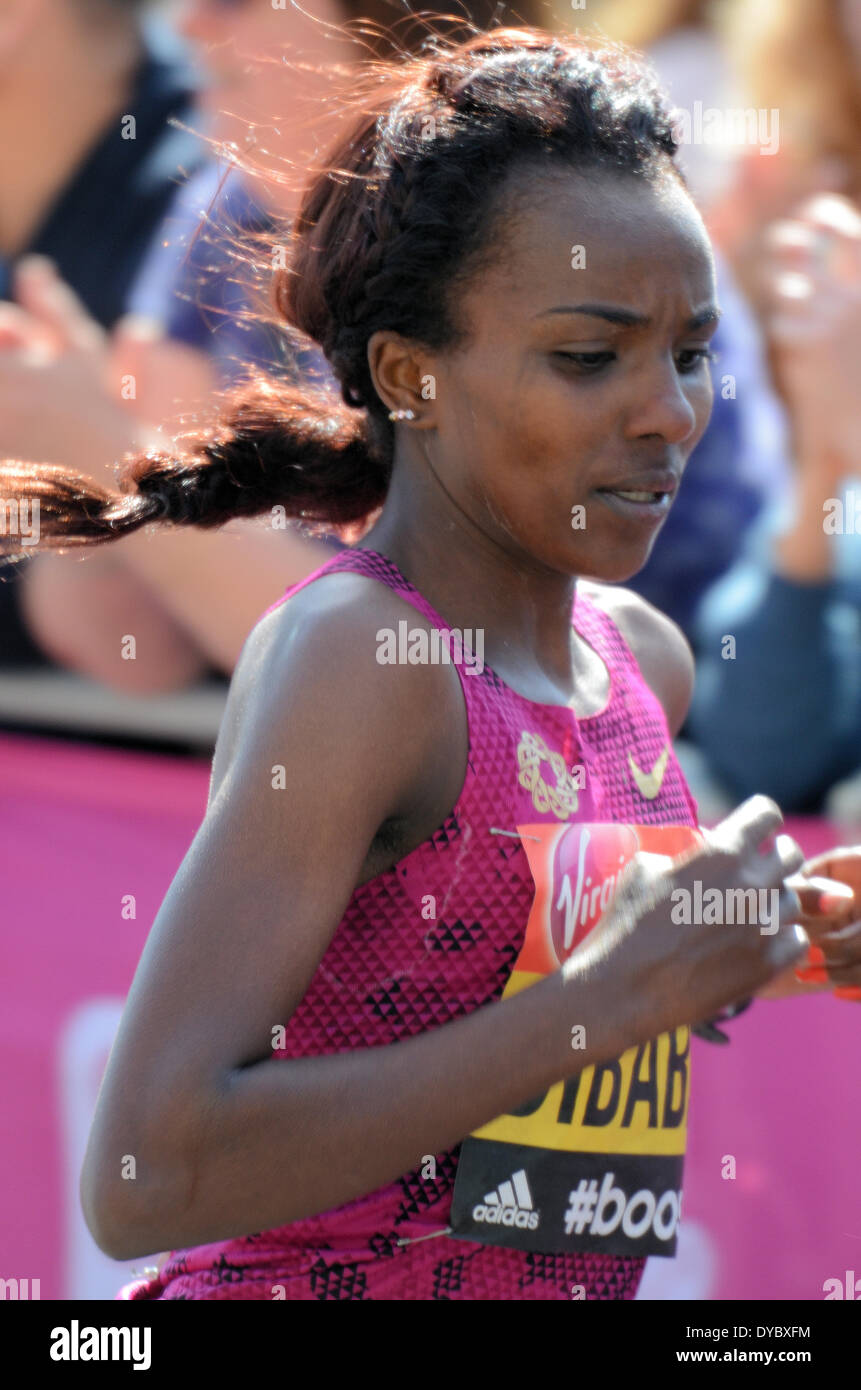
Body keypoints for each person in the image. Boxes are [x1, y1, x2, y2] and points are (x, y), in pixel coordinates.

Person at [4, 24, 861, 1302]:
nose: (668, 411)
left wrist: (762, 934)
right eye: (589, 355)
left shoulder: (640, 661)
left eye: (690, 353)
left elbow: (508, 1027)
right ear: (413, 377)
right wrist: (616, 995)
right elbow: (146, 1174)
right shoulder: (363, 657)